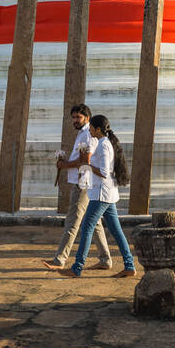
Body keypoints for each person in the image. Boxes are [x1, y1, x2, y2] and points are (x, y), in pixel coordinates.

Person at [60, 114, 136, 278]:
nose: (90, 131)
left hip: (102, 194)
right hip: (106, 194)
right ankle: (129, 265)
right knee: (116, 231)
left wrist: (87, 165)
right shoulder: (105, 143)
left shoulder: (103, 145)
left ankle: (77, 268)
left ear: (98, 129)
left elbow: (103, 172)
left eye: (92, 128)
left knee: (87, 228)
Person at [43, 104, 112, 270]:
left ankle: (60, 259)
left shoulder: (88, 135)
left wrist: (64, 165)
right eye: (73, 117)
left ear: (87, 118)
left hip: (84, 183)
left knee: (73, 221)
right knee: (94, 223)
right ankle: (105, 259)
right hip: (87, 182)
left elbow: (84, 161)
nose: (75, 120)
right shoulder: (83, 134)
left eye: (78, 117)